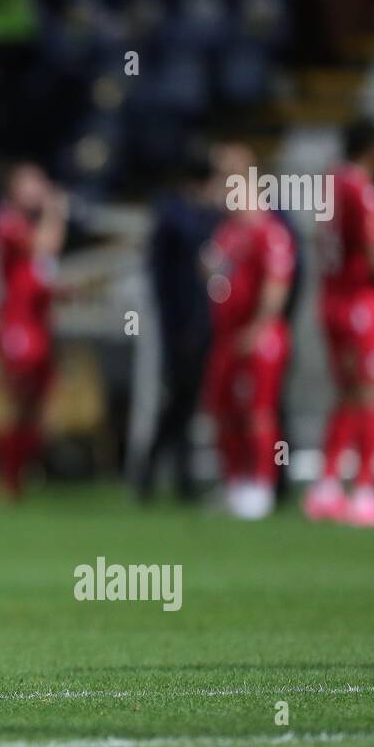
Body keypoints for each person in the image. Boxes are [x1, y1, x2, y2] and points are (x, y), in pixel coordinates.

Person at [304, 120, 374, 526]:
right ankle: (365, 493)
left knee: (348, 393)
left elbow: (323, 239)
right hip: (361, 302)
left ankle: (326, 488)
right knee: (371, 395)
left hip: (331, 299)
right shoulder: (363, 190)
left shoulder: (330, 183)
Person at [202, 154, 296, 519]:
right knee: (224, 413)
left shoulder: (268, 231)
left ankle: (260, 485)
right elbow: (214, 275)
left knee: (256, 412)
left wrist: (258, 327)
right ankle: (234, 482)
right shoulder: (227, 232)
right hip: (227, 338)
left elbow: (276, 285)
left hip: (258, 337)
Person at [137, 142, 222, 501]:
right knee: (179, 403)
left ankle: (157, 475)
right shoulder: (176, 217)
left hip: (199, 321)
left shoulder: (198, 215)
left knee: (184, 405)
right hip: (180, 322)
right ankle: (166, 477)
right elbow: (163, 275)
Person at [0, 162, 67, 500]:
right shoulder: (6, 224)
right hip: (16, 325)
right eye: (30, 183)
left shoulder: (27, 226)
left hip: (40, 324)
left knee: (37, 403)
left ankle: (24, 473)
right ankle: (7, 479)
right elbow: (44, 248)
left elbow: (38, 276)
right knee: (17, 401)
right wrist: (57, 212)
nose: (38, 189)